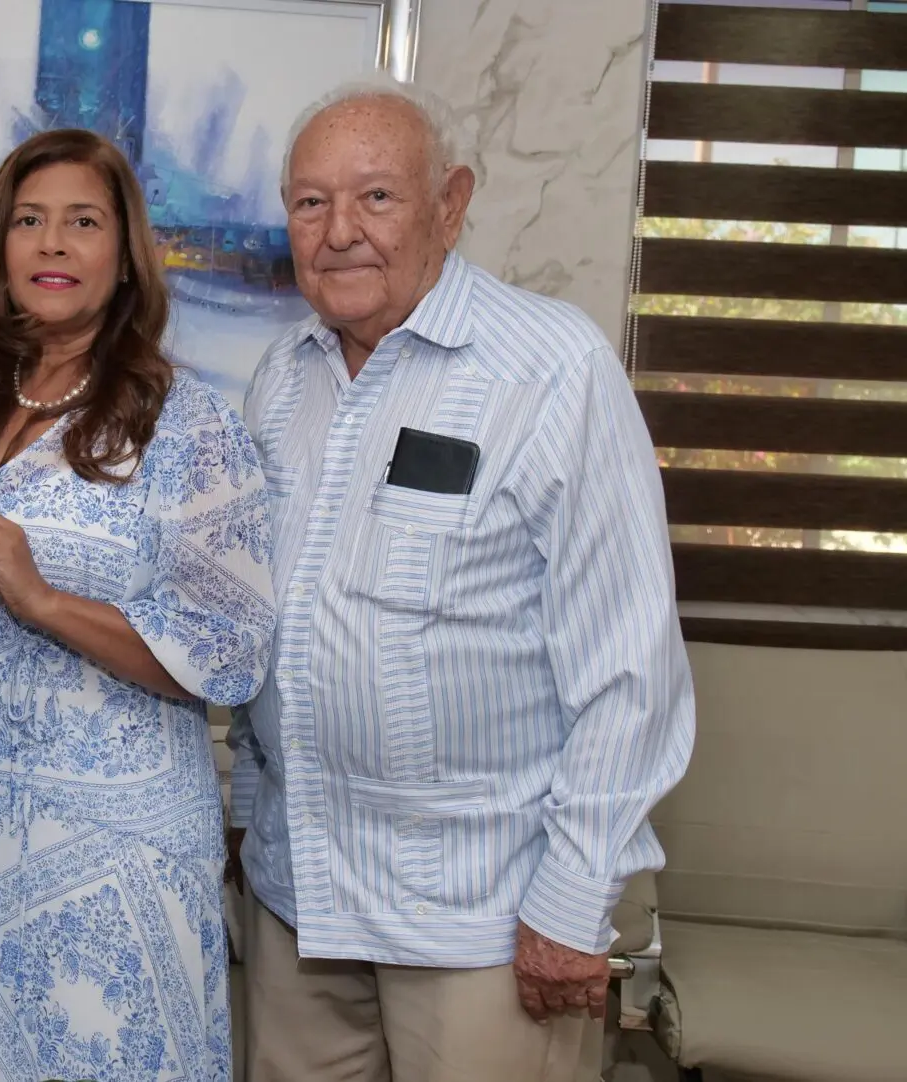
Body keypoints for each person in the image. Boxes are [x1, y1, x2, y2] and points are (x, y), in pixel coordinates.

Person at [228, 78, 696, 1082]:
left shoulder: (552, 369)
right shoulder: (281, 379)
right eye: (310, 202)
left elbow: (630, 666)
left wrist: (573, 904)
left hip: (485, 922)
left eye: (377, 198)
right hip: (298, 902)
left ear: (450, 203)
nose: (339, 230)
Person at [0, 128, 277, 1082]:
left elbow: (231, 650)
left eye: (83, 222)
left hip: (111, 856)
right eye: (29, 221)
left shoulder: (184, 421)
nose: (53, 244)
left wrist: (43, 599)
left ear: (124, 256)